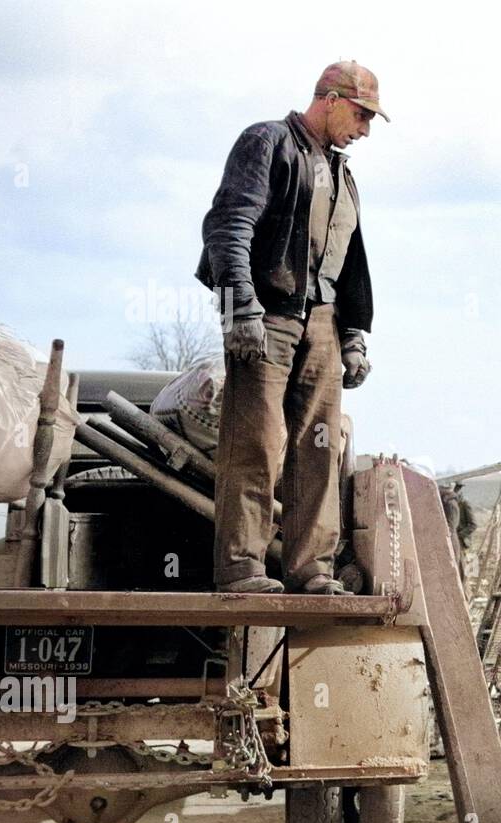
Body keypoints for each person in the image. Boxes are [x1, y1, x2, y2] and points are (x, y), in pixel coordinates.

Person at [196, 61, 387, 595]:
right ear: (329, 99)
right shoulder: (267, 141)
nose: (365, 129)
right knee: (255, 444)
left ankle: (311, 572)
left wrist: (354, 335)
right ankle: (241, 570)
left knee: (320, 450)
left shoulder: (342, 173)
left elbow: (351, 261)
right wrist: (239, 308)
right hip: (269, 316)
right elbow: (228, 225)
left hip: (324, 323)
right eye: (360, 114)